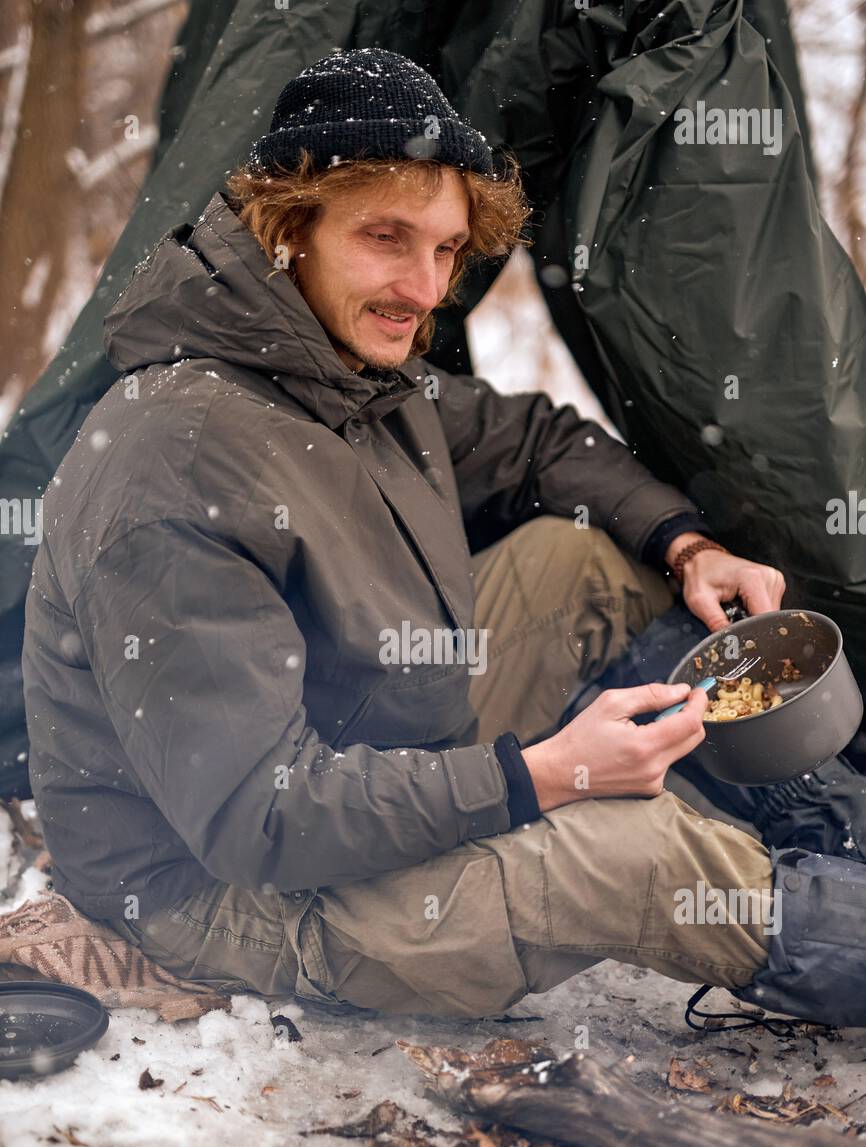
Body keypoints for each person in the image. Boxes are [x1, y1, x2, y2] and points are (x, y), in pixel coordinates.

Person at [21, 48, 866, 1028]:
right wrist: (541, 776)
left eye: (444, 251)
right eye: (386, 237)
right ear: (285, 226)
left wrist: (685, 545)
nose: (423, 290)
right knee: (640, 851)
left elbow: (540, 444)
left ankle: (827, 835)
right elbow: (259, 815)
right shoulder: (177, 459)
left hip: (365, 753)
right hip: (224, 891)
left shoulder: (352, 378)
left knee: (579, 559)